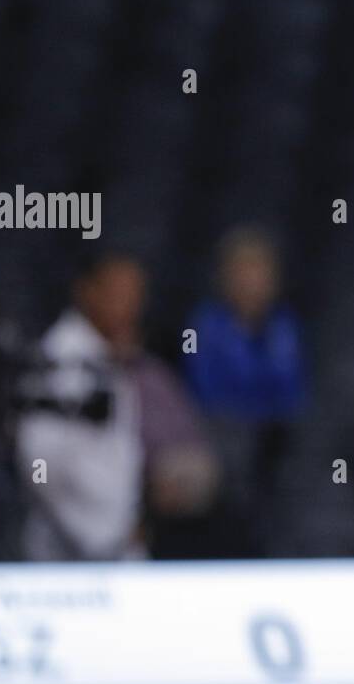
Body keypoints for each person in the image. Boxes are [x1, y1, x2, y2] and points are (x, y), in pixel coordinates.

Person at [17, 252, 219, 560]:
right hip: (69, 553)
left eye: (134, 295)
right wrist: (99, 534)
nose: (128, 306)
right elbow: (40, 465)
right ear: (87, 291)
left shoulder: (115, 357)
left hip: (118, 545)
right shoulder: (60, 360)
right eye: (116, 293)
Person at [184, 227, 307, 549]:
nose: (252, 282)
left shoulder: (284, 326)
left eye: (259, 272)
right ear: (226, 277)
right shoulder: (206, 326)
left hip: (275, 437)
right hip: (221, 434)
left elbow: (292, 393)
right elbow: (206, 393)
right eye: (243, 272)